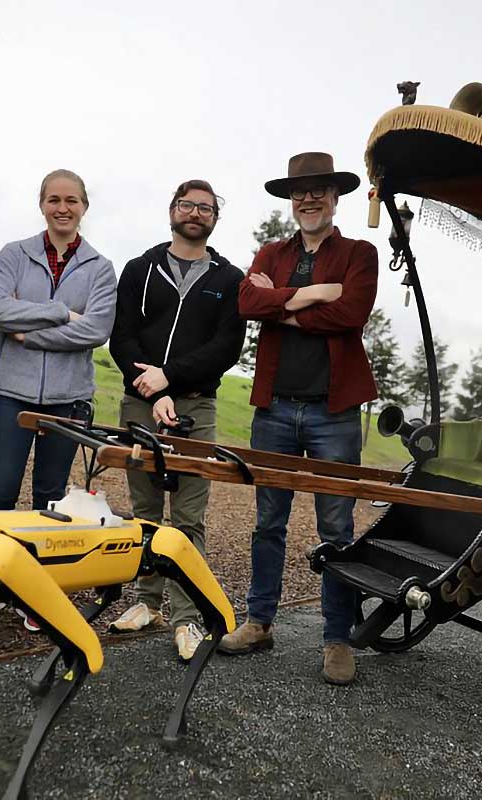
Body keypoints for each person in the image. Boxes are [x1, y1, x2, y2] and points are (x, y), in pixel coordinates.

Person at [218, 152, 379, 686]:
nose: (309, 199)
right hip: (276, 407)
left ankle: (337, 638)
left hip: (334, 411)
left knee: (336, 525)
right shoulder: (270, 250)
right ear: (292, 200)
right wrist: (310, 294)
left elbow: (351, 313)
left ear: (335, 197)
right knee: (269, 523)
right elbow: (246, 303)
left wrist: (280, 305)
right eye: (300, 191)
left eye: (319, 190)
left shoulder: (360, 253)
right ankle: (260, 621)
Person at [107, 179, 245, 661]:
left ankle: (187, 617)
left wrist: (170, 379)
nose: (195, 213)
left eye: (205, 208)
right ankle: (146, 602)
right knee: (144, 512)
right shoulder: (139, 269)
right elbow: (120, 335)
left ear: (214, 218)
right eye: (187, 204)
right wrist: (149, 382)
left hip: (195, 407)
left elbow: (226, 348)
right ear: (172, 210)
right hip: (139, 403)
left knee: (188, 516)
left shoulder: (229, 279)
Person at [0, 169, 117, 513]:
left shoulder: (101, 268)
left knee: (51, 497)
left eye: (71, 200)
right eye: (53, 199)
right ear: (41, 205)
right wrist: (62, 312)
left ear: (84, 206)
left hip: (68, 400)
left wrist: (28, 335)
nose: (62, 207)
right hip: (11, 395)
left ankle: (37, 566)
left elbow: (96, 331)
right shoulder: (14, 254)